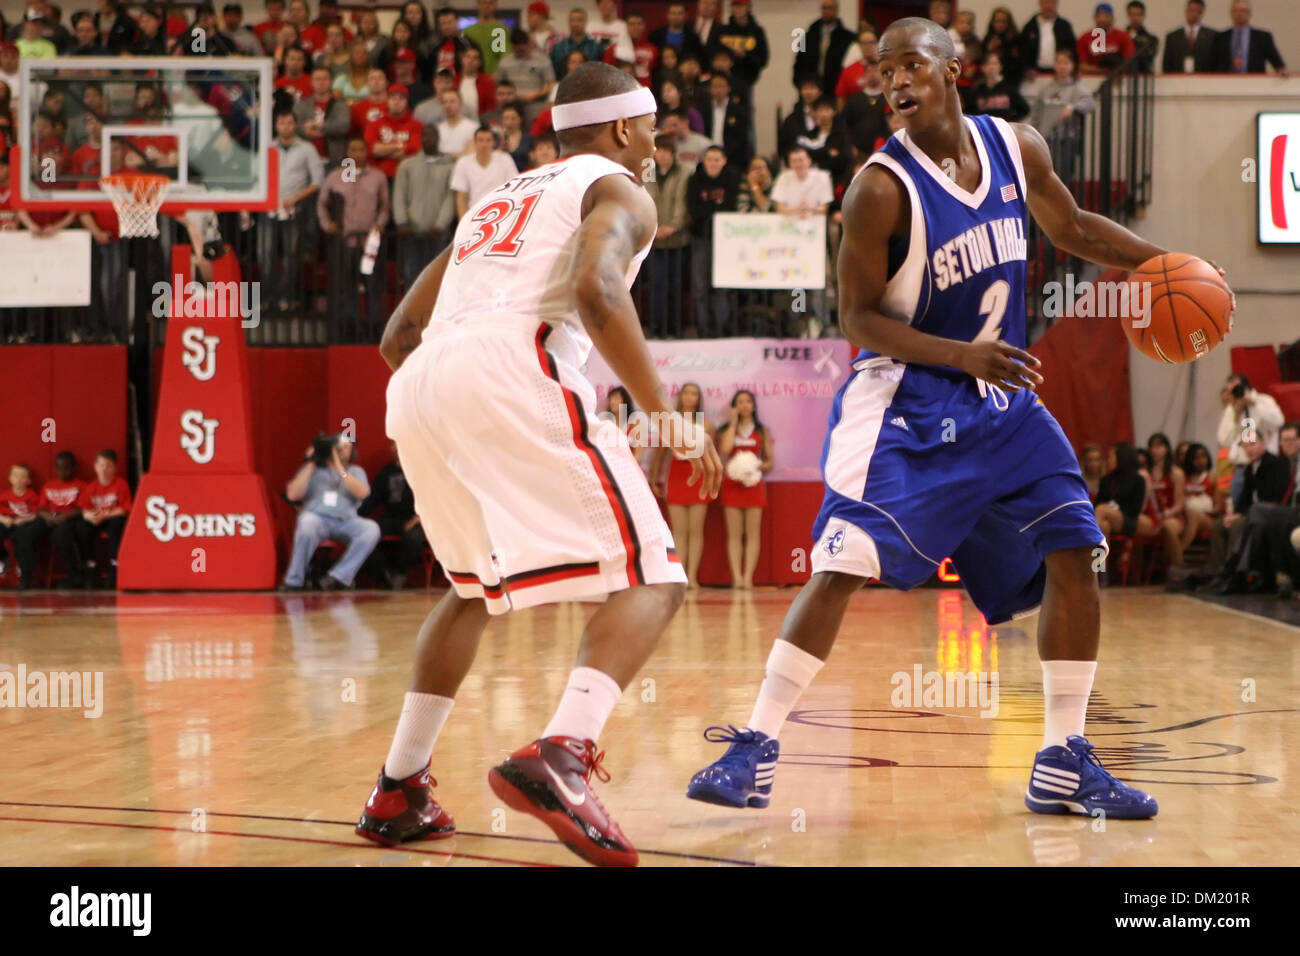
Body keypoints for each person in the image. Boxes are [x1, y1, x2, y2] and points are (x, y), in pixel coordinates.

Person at [685, 17, 1215, 821]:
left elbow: (1069, 228)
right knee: (844, 562)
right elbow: (857, 319)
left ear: (953, 69)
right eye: (882, 71)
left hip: (1002, 395)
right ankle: (755, 747)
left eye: (910, 65)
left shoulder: (1016, 146)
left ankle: (1064, 758)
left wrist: (1166, 266)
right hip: (906, 394)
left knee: (1076, 545)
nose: (894, 81)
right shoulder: (878, 187)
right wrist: (961, 356)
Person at [360, 62, 722, 867]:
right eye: (654, 126)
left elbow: (394, 340)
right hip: (512, 367)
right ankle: (561, 753)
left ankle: (399, 787)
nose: (658, 141)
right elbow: (598, 291)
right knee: (654, 576)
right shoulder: (620, 188)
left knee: (468, 591)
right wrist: (662, 412)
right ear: (625, 129)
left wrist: (462, 411)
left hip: (420, 384)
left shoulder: (496, 200)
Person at [282, 435, 380, 590]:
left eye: (347, 447)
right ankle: (294, 580)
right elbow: (292, 495)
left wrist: (339, 468)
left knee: (371, 528)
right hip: (317, 519)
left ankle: (338, 577)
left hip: (346, 520)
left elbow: (363, 493)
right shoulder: (312, 469)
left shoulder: (355, 470)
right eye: (339, 447)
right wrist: (311, 462)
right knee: (307, 522)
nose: (342, 450)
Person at [651, 383, 716, 589]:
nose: (690, 397)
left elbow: (710, 457)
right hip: (676, 476)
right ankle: (679, 576)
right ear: (680, 397)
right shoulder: (671, 422)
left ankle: (693, 576)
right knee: (678, 531)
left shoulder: (706, 425)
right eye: (686, 393)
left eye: (694, 393)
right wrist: (654, 480)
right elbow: (660, 455)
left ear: (699, 398)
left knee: (695, 530)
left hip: (698, 477)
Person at [718, 389, 772, 590]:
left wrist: (755, 466)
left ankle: (748, 577)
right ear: (735, 407)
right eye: (740, 402)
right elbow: (724, 450)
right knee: (734, 534)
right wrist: (732, 423)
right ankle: (736, 577)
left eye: (748, 401)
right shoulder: (726, 428)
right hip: (732, 484)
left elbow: (769, 461)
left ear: (753, 405)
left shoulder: (761, 431)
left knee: (752, 533)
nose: (744, 405)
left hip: (753, 485)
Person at [393, 123, 456, 292]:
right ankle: (410, 317)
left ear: (438, 139)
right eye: (425, 135)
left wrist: (440, 225)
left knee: (438, 279)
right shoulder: (407, 165)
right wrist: (402, 221)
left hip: (438, 235)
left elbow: (450, 198)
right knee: (411, 277)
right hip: (412, 232)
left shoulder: (450, 166)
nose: (428, 139)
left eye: (432, 135)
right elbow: (399, 195)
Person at [359, 441, 428, 589]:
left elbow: (431, 497)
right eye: (394, 444)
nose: (396, 447)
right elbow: (373, 499)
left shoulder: (420, 470)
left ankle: (399, 574)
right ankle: (385, 573)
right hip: (389, 518)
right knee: (362, 534)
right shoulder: (386, 472)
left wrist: (420, 517)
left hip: (412, 518)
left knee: (414, 538)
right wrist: (355, 517)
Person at [686, 145, 738, 337]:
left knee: (722, 287)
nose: (713, 163)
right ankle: (703, 329)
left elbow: (731, 207)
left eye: (717, 159)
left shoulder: (732, 178)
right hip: (701, 238)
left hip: (726, 240)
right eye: (709, 159)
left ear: (724, 161)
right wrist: (714, 207)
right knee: (700, 287)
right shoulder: (695, 180)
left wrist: (708, 208)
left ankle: (721, 329)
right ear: (703, 161)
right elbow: (693, 210)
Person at [74, 449, 131, 589]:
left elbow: (124, 509)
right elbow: (84, 509)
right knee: (82, 528)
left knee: (117, 526)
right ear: (96, 466)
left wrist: (103, 515)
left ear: (114, 468)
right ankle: (90, 567)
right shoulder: (91, 487)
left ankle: (114, 568)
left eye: (108, 466)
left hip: (112, 518)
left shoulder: (121, 485)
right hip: (96, 520)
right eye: (101, 465)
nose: (104, 469)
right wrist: (90, 516)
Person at [37, 450, 85, 587]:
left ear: (73, 468)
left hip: (69, 520)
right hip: (50, 519)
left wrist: (64, 517)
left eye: (66, 468)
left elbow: (82, 509)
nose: (63, 472)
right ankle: (28, 576)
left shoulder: (80, 485)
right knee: (29, 532)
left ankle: (75, 574)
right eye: (59, 468)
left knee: (61, 534)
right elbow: (40, 509)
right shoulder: (49, 485)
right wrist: (47, 516)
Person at [451, 125, 518, 216]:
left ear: (493, 143)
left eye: (488, 140)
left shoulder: (505, 159)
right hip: (474, 214)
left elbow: (515, 189)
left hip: (501, 213)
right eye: (481, 140)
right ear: (475, 142)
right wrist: (463, 224)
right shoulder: (463, 163)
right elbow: (461, 198)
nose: (484, 144)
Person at [793, 0, 855, 95]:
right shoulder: (808, 37)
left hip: (835, 88)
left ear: (836, 10)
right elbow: (799, 64)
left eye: (830, 8)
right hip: (811, 88)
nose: (827, 11)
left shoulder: (847, 38)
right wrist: (801, 85)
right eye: (824, 8)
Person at [1212, 0, 1287, 76]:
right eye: (1235, 11)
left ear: (1250, 14)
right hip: (1225, 83)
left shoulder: (1263, 37)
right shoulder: (1220, 37)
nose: (1239, 14)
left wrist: (1281, 71)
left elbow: (1278, 63)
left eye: (1243, 11)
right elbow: (1212, 64)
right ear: (1231, 13)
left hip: (1254, 82)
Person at [0, 463, 43, 589]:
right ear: (10, 478)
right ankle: (3, 558)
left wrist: (22, 520)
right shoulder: (5, 495)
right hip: (8, 522)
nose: (19, 479)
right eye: (16, 476)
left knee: (23, 538)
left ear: (28, 480)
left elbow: (35, 513)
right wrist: (4, 519)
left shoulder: (31, 495)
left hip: (25, 523)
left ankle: (25, 575)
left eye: (22, 476)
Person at [1146, 432, 1186, 567]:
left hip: (1174, 515)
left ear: (1166, 448)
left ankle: (1178, 567)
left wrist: (1167, 513)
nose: (1154, 450)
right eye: (1152, 446)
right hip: (1153, 515)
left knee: (1168, 526)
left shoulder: (1176, 473)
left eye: (1158, 446)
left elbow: (1179, 504)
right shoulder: (1147, 473)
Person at [1019, 0, 1075, 81]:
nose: (1049, 6)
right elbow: (1023, 50)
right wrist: (1027, 68)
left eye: (1052, 2)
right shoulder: (1029, 27)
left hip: (1059, 73)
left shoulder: (1064, 27)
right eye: (1046, 2)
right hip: (1035, 75)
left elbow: (1071, 50)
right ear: (1040, 4)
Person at [770, 145, 832, 217]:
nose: (798, 164)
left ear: (809, 160)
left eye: (801, 160)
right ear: (790, 163)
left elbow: (824, 208)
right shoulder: (783, 177)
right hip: (789, 221)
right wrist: (796, 210)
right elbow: (779, 207)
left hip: (815, 221)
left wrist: (809, 209)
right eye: (794, 161)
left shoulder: (822, 177)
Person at [1076, 2, 1135, 76]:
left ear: (1112, 18)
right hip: (1090, 80)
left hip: (1118, 79)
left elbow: (1129, 63)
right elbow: (1082, 66)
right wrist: (1106, 71)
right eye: (1099, 16)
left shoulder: (1124, 37)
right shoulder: (1085, 38)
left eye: (1106, 16)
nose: (1102, 19)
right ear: (1095, 18)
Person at [970, 51, 1029, 122]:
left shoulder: (1009, 88)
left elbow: (1024, 109)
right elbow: (970, 111)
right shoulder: (977, 90)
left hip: (1004, 129)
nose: (991, 67)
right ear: (982, 68)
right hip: (985, 129)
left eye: (994, 63)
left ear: (1000, 67)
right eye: (987, 64)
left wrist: (1011, 121)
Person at [1162, 0, 1216, 75]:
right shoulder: (1172, 37)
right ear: (1186, 11)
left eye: (1198, 11)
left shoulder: (1212, 36)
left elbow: (1215, 63)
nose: (1194, 14)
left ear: (1202, 13)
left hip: (1204, 80)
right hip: (1177, 80)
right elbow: (1167, 65)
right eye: (1192, 10)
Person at [1124, 1, 1158, 74]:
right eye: (1132, 14)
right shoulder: (1122, 37)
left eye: (1138, 14)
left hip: (1144, 77)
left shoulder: (1151, 39)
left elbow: (1147, 58)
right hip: (1124, 76)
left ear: (1143, 16)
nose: (1135, 18)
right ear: (1128, 15)